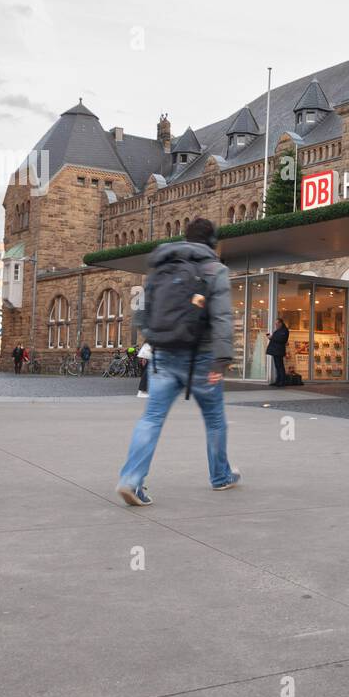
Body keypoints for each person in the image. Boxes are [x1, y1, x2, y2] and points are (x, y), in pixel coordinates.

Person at [115, 217, 238, 507]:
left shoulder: (161, 267)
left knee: (152, 418)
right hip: (203, 359)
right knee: (215, 419)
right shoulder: (215, 270)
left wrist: (156, 338)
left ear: (186, 238)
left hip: (163, 356)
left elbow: (141, 313)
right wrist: (222, 358)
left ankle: (131, 479)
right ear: (212, 242)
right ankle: (220, 476)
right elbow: (221, 317)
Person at [265, 317, 290, 387]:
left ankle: (282, 381)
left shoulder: (284, 330)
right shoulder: (279, 330)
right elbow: (277, 338)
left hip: (279, 351)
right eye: (275, 324)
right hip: (276, 351)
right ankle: (278, 381)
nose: (276, 325)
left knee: (280, 366)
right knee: (277, 366)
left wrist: (271, 337)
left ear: (281, 323)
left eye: (277, 323)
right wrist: (271, 337)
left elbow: (282, 339)